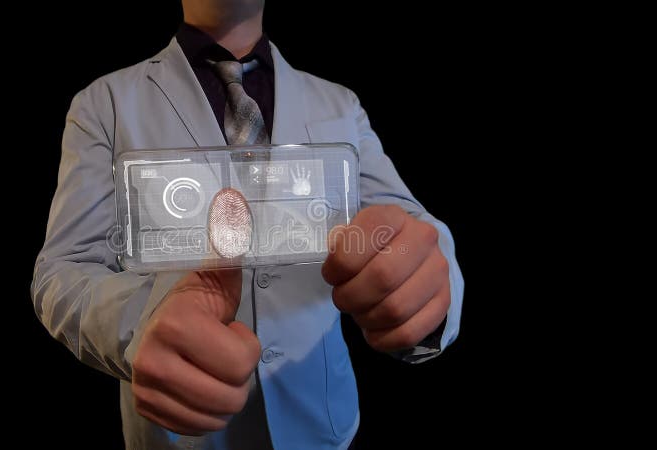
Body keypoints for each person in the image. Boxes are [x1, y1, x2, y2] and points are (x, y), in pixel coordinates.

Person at [31, 1, 464, 448]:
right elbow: (64, 269)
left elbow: (412, 227)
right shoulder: (104, 102)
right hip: (182, 437)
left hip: (321, 428)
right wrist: (142, 323)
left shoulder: (340, 103)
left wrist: (429, 283)